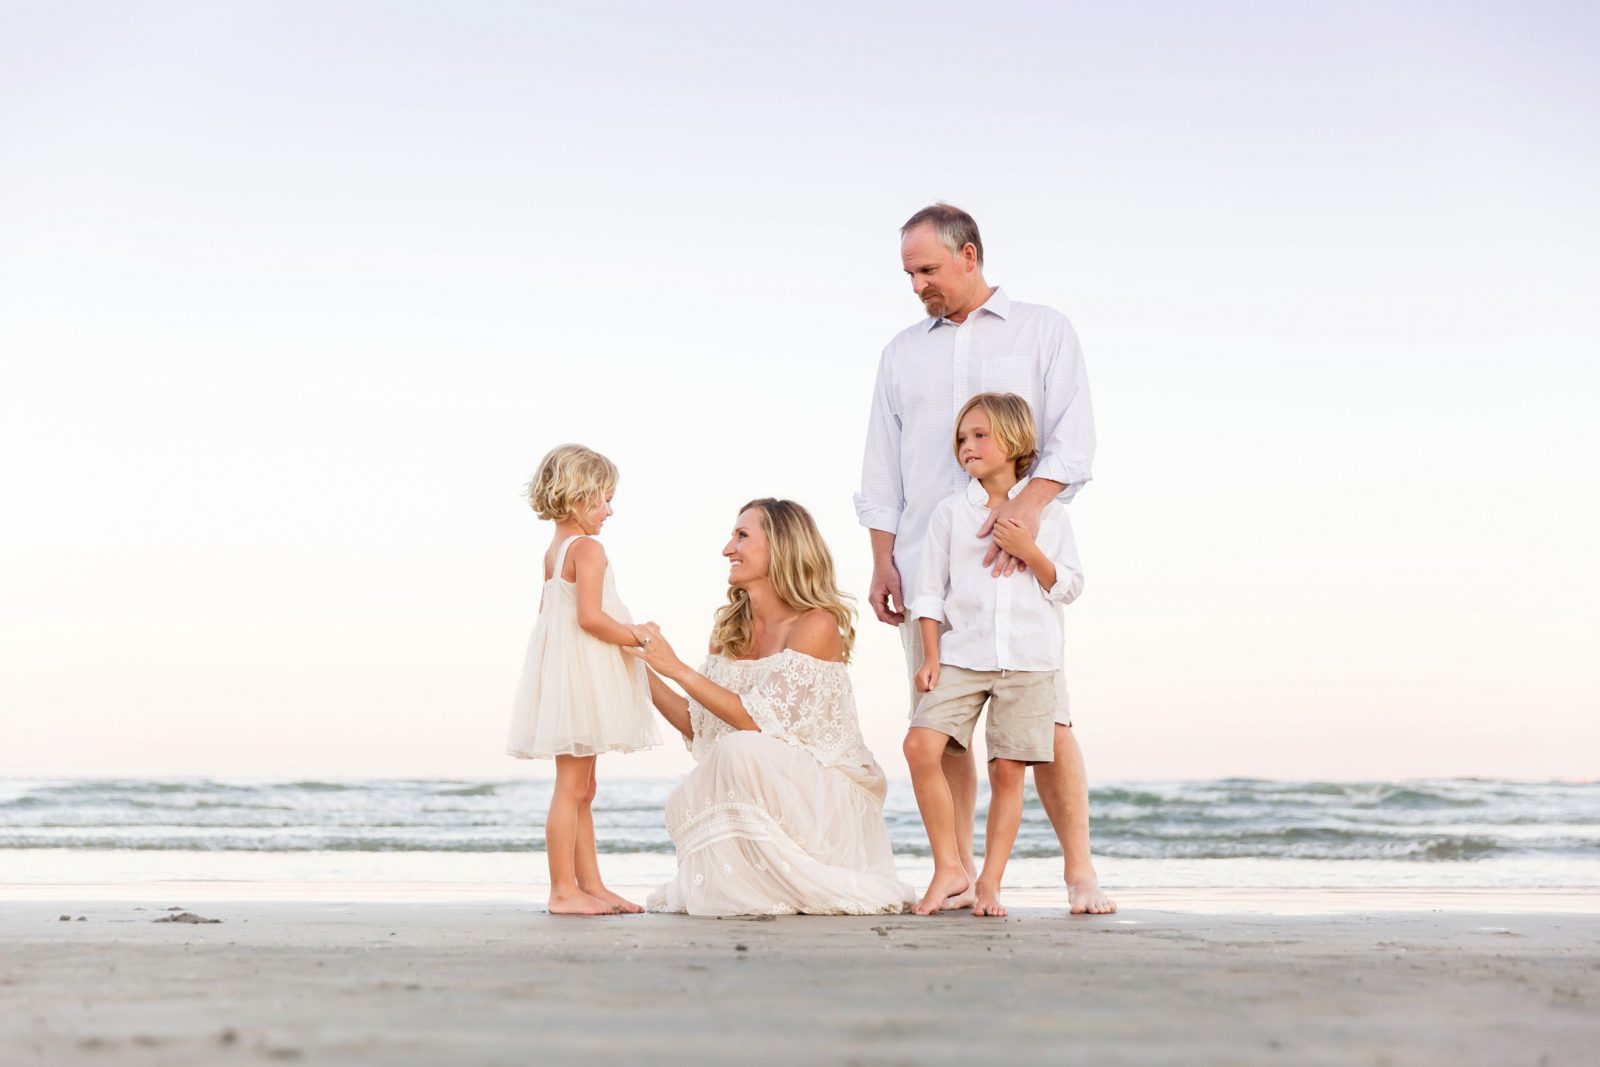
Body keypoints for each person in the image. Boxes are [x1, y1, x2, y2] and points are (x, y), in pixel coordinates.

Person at [856, 203, 1115, 914]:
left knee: (1049, 726)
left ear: (969, 255)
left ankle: (1080, 871)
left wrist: (1023, 516)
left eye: (928, 270)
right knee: (941, 731)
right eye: (909, 274)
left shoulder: (1043, 330)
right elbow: (882, 468)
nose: (918, 287)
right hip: (925, 566)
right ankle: (959, 869)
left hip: (1018, 564)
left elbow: (1075, 442)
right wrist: (883, 560)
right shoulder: (901, 353)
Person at [626, 499, 915, 917]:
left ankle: (790, 882)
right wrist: (639, 670)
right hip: (767, 780)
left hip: (825, 799)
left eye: (742, 536)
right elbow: (699, 725)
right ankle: (752, 889)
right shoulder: (730, 629)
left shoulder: (816, 625)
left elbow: (754, 722)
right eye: (732, 536)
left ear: (780, 546)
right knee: (688, 790)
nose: (729, 548)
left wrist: (676, 668)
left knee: (740, 749)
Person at [904, 393, 1084, 916]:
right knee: (920, 746)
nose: (968, 447)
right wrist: (931, 655)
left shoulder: (1048, 515)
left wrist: (1030, 552)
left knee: (1009, 771)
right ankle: (949, 868)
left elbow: (1069, 587)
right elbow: (929, 591)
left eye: (980, 435)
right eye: (962, 438)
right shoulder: (950, 514)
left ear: (1015, 441)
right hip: (962, 654)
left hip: (1030, 659)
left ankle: (990, 885)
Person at [507, 444, 661, 915]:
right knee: (571, 787)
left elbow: (547, 614)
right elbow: (591, 618)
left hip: (568, 674)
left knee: (583, 787)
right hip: (583, 676)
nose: (609, 511)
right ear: (576, 497)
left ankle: (591, 885)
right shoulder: (589, 548)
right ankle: (562, 890)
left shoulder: (555, 552)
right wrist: (636, 633)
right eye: (602, 500)